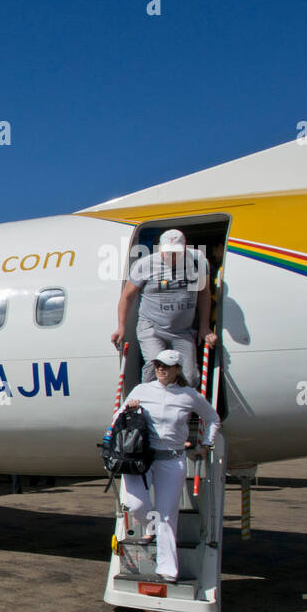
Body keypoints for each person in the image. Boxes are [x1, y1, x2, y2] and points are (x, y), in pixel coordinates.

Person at [112, 349, 220, 582]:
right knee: (136, 503)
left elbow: (212, 418)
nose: (161, 369)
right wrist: (129, 409)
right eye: (158, 365)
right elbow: (117, 419)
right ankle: (150, 528)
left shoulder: (188, 395)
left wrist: (207, 444)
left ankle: (168, 568)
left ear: (177, 370)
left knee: (167, 516)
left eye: (167, 366)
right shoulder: (142, 390)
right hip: (142, 459)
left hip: (172, 460)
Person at [111, 228, 217, 386]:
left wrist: (204, 326)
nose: (172, 257)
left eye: (176, 253)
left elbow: (204, 293)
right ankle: (149, 404)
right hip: (152, 327)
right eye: (168, 252)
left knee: (190, 377)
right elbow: (127, 296)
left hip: (182, 330)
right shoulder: (146, 264)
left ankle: (182, 408)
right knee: (156, 368)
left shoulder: (197, 260)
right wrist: (121, 327)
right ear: (160, 248)